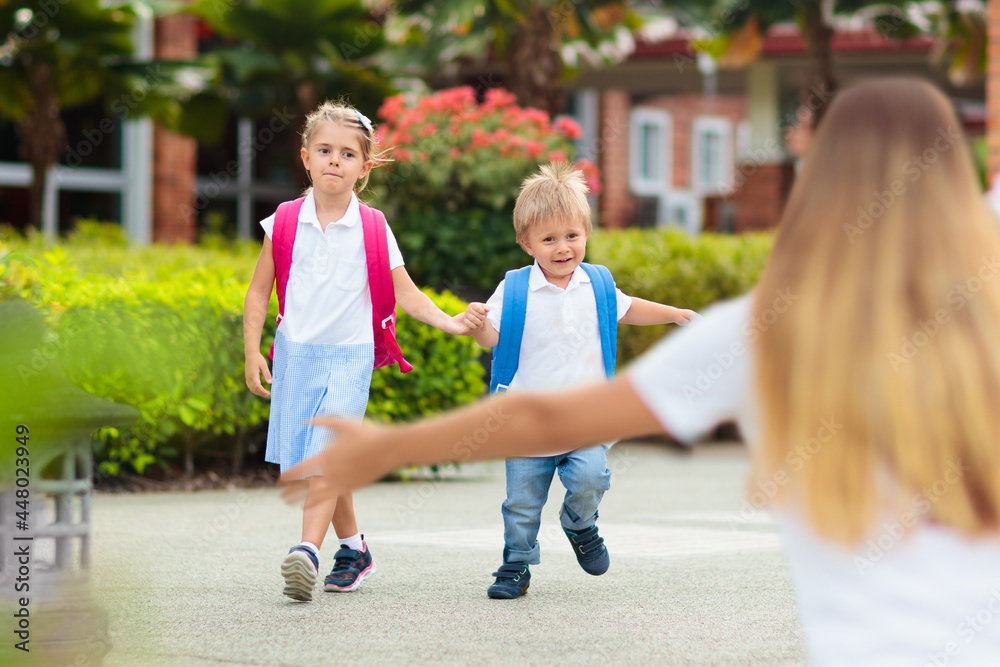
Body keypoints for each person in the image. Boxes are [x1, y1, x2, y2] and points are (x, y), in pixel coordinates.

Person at [282, 78, 1000, 663]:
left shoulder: (767, 334)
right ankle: (524, 552)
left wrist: (388, 446)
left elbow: (552, 418)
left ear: (823, 185)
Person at [243, 100, 473, 602]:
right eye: (324, 150)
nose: (334, 160)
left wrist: (450, 322)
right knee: (317, 460)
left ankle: (306, 549)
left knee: (326, 454)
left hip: (350, 356)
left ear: (363, 169)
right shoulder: (282, 223)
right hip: (296, 354)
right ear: (305, 157)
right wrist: (252, 352)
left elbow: (406, 293)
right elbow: (259, 291)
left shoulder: (372, 227)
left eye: (347, 154)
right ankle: (354, 548)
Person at [459, 162, 696, 598]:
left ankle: (579, 522)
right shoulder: (515, 289)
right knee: (522, 505)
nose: (562, 247)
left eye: (572, 236)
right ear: (526, 242)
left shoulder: (598, 284)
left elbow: (630, 308)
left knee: (590, 476)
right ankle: (516, 564)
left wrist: (672, 314)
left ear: (586, 232)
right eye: (549, 239)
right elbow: (491, 336)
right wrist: (475, 324)